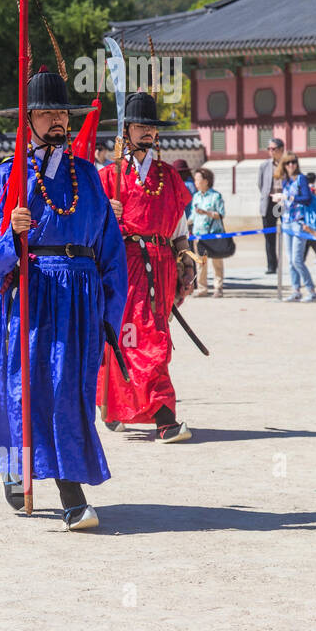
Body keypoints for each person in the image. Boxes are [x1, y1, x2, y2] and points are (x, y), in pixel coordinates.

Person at [0, 67, 127, 531]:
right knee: (31, 390)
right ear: (27, 120)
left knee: (69, 394)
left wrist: (110, 312)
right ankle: (65, 490)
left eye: (62, 112)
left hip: (80, 298)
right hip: (30, 296)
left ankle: (51, 474)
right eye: (47, 112)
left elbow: (110, 250)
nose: (57, 120)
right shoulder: (3, 179)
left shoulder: (88, 177)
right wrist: (8, 238)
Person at [99, 92, 197, 442]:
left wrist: (186, 261)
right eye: (139, 126)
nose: (145, 133)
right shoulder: (108, 176)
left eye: (150, 128)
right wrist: (106, 216)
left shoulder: (168, 176)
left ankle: (120, 407)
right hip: (124, 268)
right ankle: (164, 416)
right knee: (132, 341)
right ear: (125, 132)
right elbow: (91, 231)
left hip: (162, 265)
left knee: (153, 339)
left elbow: (181, 229)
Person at [276, 153, 316, 302]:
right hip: (287, 221)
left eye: (293, 162)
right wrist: (279, 201)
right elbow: (285, 202)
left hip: (299, 222)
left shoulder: (301, 178)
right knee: (290, 260)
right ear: (283, 165)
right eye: (288, 163)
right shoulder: (285, 181)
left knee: (297, 259)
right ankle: (296, 290)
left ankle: (311, 291)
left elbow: (306, 198)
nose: (291, 165)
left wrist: (290, 198)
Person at [190, 167, 226, 297]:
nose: (195, 182)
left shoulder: (216, 196)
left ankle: (218, 287)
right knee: (201, 263)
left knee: (217, 262)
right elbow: (192, 217)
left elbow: (221, 214)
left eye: (197, 179)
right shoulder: (196, 197)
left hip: (214, 233)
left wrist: (206, 213)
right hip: (198, 234)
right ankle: (202, 288)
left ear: (206, 181)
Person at [257, 137, 283, 274]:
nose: (271, 151)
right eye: (269, 149)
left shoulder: (288, 164)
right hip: (269, 203)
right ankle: (272, 265)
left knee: (290, 232)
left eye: (273, 149)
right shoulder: (264, 165)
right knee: (269, 236)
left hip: (284, 202)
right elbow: (260, 184)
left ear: (281, 150)